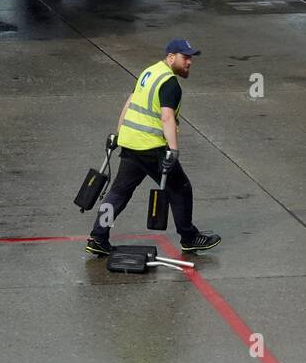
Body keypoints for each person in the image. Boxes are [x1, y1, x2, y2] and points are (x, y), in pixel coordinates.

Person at [85, 39, 220, 257]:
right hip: (151, 147)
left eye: (191, 57)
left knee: (119, 193)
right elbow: (166, 117)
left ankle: (98, 238)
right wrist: (173, 151)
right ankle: (189, 237)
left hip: (131, 144)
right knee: (181, 188)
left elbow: (130, 102)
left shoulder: (149, 73)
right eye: (185, 57)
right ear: (171, 57)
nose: (189, 62)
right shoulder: (170, 83)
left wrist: (119, 134)